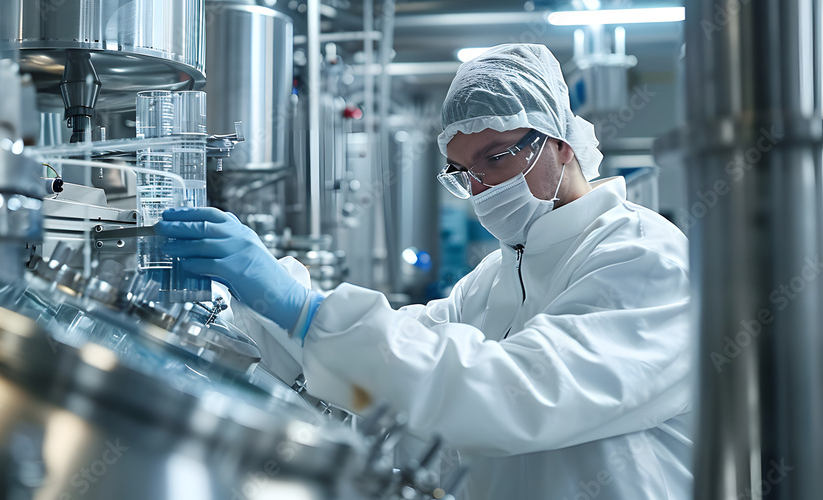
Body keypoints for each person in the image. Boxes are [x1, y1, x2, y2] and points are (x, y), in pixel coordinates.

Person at [156, 44, 693, 499]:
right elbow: (407, 359)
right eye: (464, 171)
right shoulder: (495, 276)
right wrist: (251, 307)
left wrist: (304, 311)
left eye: (496, 157)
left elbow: (511, 391)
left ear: (561, 142)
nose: (481, 188)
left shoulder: (644, 257)